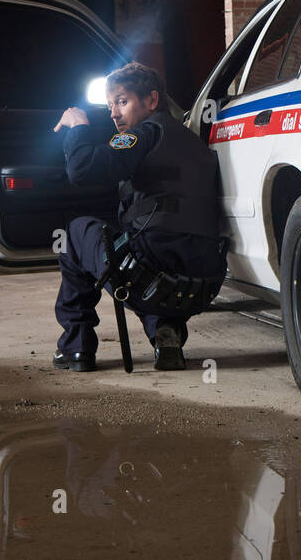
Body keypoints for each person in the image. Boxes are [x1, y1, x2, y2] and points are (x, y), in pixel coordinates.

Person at [53, 62, 224, 371]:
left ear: (152, 101)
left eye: (122, 101)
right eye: (109, 106)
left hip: (152, 275)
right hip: (203, 283)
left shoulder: (141, 134)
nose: (114, 114)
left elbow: (82, 168)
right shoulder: (193, 141)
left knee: (76, 232)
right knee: (143, 247)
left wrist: (78, 125)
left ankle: (76, 348)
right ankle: (164, 332)